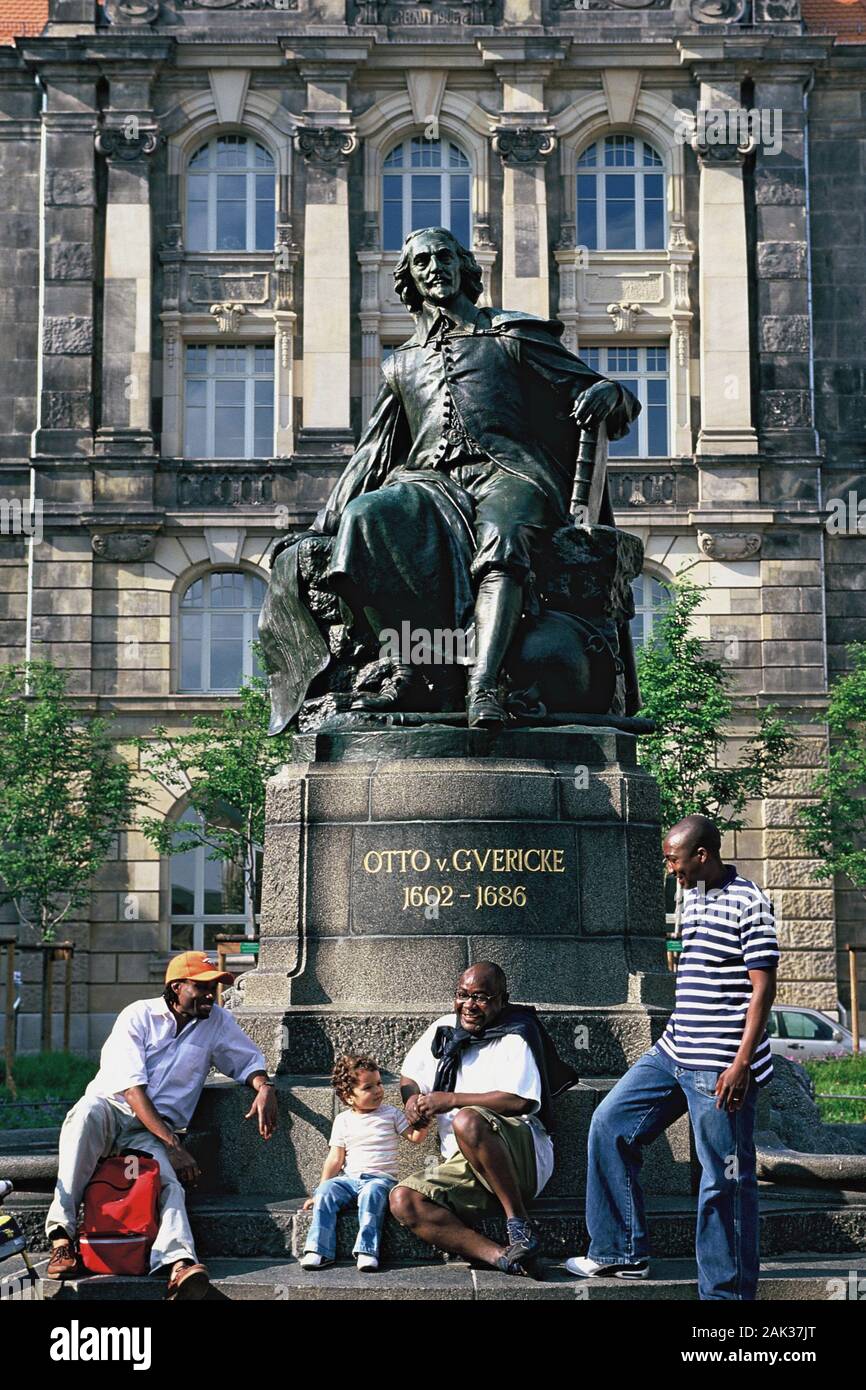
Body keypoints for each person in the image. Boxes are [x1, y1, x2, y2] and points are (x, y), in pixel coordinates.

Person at [262, 226, 642, 734]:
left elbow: (608, 396)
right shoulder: (402, 362)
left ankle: (483, 687)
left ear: (465, 267)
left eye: (443, 257)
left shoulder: (511, 334)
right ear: (411, 281)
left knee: (501, 539)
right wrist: (321, 524)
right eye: (421, 263)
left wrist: (610, 393)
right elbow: (372, 452)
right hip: (428, 481)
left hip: (510, 473)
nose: (434, 268)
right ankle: (408, 665)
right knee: (364, 520)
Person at [566, 814, 779, 1300]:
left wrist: (741, 1064)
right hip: (675, 1049)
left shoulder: (752, 904)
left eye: (673, 859)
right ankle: (620, 1250)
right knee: (610, 1123)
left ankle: (726, 1297)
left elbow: (763, 989)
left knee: (723, 1182)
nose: (669, 868)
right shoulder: (693, 894)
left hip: (722, 1064)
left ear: (701, 855)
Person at [45, 951, 278, 1300]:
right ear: (176, 987)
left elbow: (244, 1059)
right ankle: (62, 1236)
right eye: (201, 986)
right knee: (83, 1117)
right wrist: (175, 1147)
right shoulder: (138, 1015)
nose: (210, 993)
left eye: (214, 985)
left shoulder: (216, 1020)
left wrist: (264, 1087)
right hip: (113, 1109)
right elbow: (132, 1089)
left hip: (151, 1130)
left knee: (169, 1183)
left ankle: (179, 1264)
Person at [390, 961, 579, 1275]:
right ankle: (502, 1257)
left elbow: (520, 1100)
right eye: (462, 995)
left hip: (520, 1157)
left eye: (480, 997)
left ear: (502, 1000)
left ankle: (519, 1225)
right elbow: (410, 1075)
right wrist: (411, 1100)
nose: (469, 1005)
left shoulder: (516, 1033)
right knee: (403, 1200)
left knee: (468, 1120)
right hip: (464, 1163)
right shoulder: (444, 1028)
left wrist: (450, 1100)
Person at [299, 1053, 426, 1272]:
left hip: (380, 1181)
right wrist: (318, 1190)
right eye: (368, 1087)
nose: (377, 1090)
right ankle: (318, 1250)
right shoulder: (343, 1121)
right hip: (349, 1180)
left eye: (379, 1083)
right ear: (348, 1097)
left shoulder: (391, 1114)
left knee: (371, 1195)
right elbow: (335, 1158)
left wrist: (424, 1119)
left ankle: (367, 1250)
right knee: (327, 1191)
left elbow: (415, 1137)